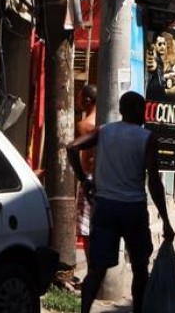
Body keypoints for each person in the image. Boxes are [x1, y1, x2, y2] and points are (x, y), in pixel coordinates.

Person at [67, 91, 175, 313]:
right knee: (139, 268)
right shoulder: (147, 138)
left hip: (105, 207)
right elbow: (154, 182)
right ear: (137, 111)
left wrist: (84, 181)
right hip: (133, 209)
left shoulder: (105, 131)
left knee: (96, 269)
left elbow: (72, 147)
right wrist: (165, 220)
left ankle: (84, 310)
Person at [74, 83, 98, 254]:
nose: (78, 100)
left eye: (80, 96)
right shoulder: (104, 122)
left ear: (88, 100)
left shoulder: (84, 125)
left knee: (86, 228)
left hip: (88, 175)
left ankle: (91, 270)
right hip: (102, 176)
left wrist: (82, 178)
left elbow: (74, 150)